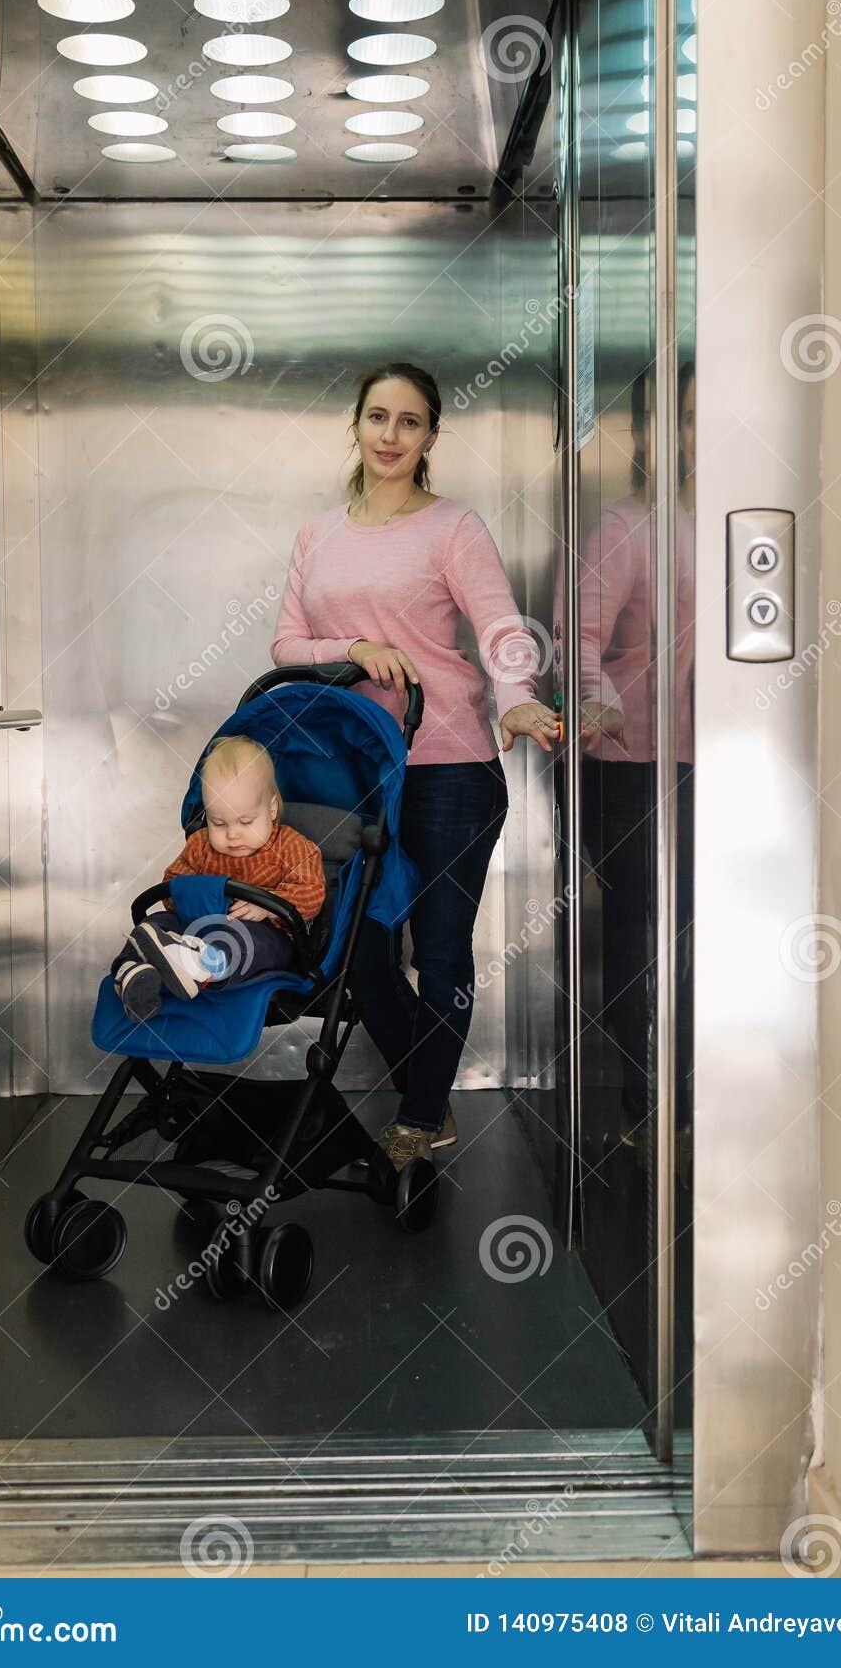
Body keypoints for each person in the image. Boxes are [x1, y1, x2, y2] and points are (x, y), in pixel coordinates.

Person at [270, 361, 560, 1171]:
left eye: (409, 422)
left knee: (438, 952)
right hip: (352, 775)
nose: (390, 435)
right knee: (361, 954)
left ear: (430, 437)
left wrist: (515, 698)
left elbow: (499, 624)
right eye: (377, 417)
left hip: (447, 768)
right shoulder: (316, 535)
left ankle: (421, 1116)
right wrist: (354, 648)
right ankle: (425, 1086)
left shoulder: (453, 530)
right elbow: (287, 645)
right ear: (356, 425)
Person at [576, 362, 696, 1179]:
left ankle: (696, 1100)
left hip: (729, 770)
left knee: (703, 939)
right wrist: (599, 705)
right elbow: (577, 637)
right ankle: (640, 1101)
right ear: (653, 434)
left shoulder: (748, 521)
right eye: (682, 417)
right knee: (636, 938)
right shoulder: (627, 527)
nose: (697, 432)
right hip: (634, 766)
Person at [111, 735, 325, 1023]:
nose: (232, 834)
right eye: (218, 823)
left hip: (264, 937)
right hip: (196, 927)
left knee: (245, 938)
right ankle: (134, 974)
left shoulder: (293, 848)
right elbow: (173, 884)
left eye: (245, 821)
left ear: (271, 809)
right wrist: (194, 897)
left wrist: (269, 906)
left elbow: (311, 892)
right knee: (155, 922)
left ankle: (196, 966)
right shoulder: (201, 845)